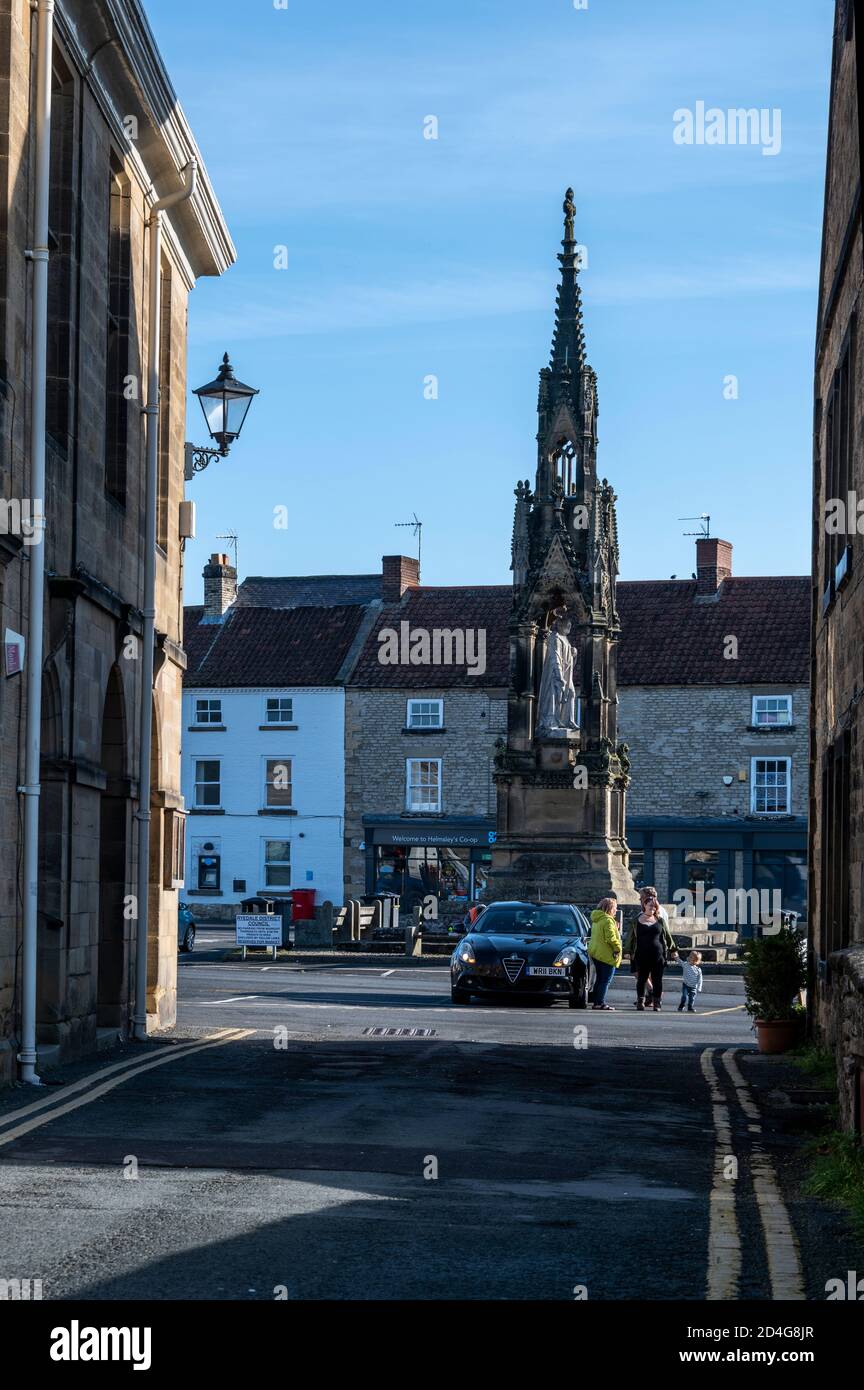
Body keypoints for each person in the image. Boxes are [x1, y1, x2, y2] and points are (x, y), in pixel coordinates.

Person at [625, 887, 678, 1011]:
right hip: (641, 955)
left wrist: (673, 950)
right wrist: (627, 951)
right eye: (650, 906)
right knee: (641, 979)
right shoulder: (636, 920)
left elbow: (667, 936)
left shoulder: (660, 920)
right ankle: (640, 1001)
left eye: (654, 907)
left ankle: (657, 1003)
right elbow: (630, 938)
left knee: (657, 979)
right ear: (645, 905)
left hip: (657, 955)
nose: (652, 908)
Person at [587, 897, 622, 1010]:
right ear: (610, 908)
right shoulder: (607, 920)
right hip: (607, 954)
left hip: (596, 953)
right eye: (615, 908)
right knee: (605, 980)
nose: (616, 911)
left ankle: (596, 1002)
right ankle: (600, 1002)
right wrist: (618, 948)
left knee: (599, 979)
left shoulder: (597, 919)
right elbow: (610, 938)